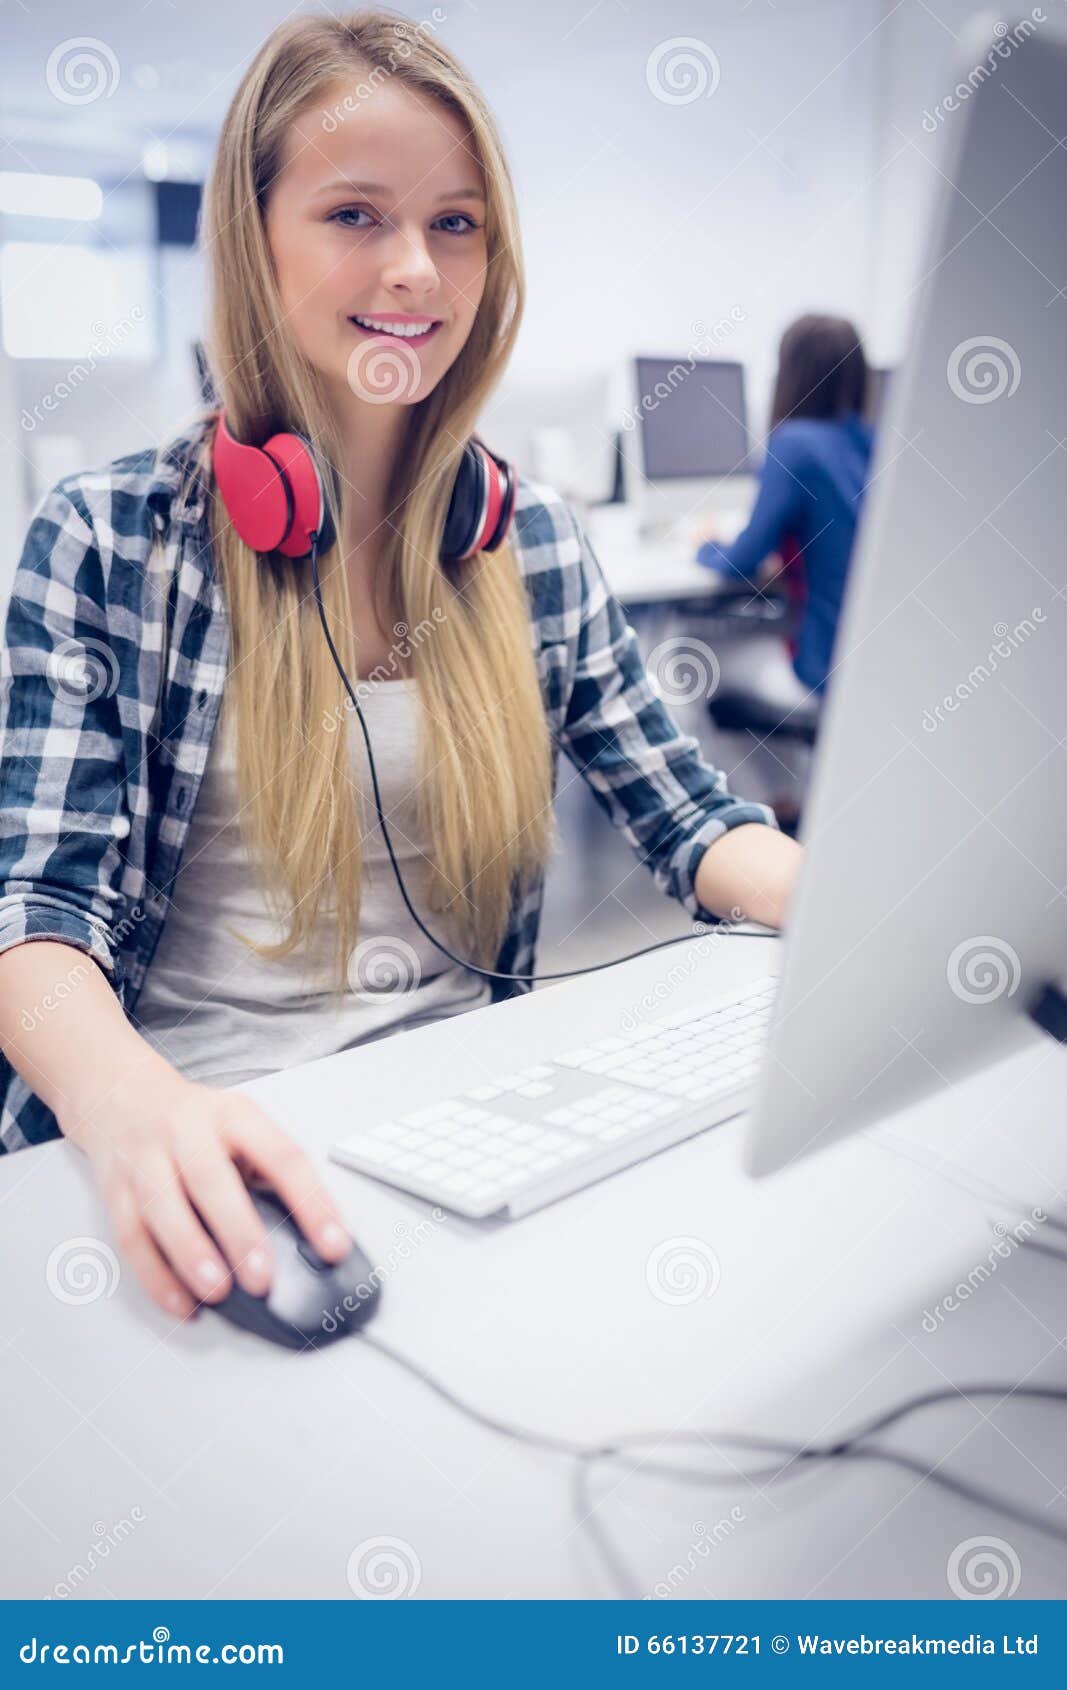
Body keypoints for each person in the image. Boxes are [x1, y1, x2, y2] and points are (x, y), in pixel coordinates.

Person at [0, 10, 802, 1327]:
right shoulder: (107, 537)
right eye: (354, 215)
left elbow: (690, 821)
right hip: (200, 1146)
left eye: (456, 222)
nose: (416, 269)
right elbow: (33, 910)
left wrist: (870, 918)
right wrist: (132, 1107)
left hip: (465, 1138)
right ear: (253, 240)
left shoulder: (525, 539)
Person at [692, 313, 876, 698]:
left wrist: (705, 546)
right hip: (872, 664)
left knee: (696, 663)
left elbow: (739, 562)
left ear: (791, 374)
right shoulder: (874, 442)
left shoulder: (795, 444)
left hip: (822, 669)